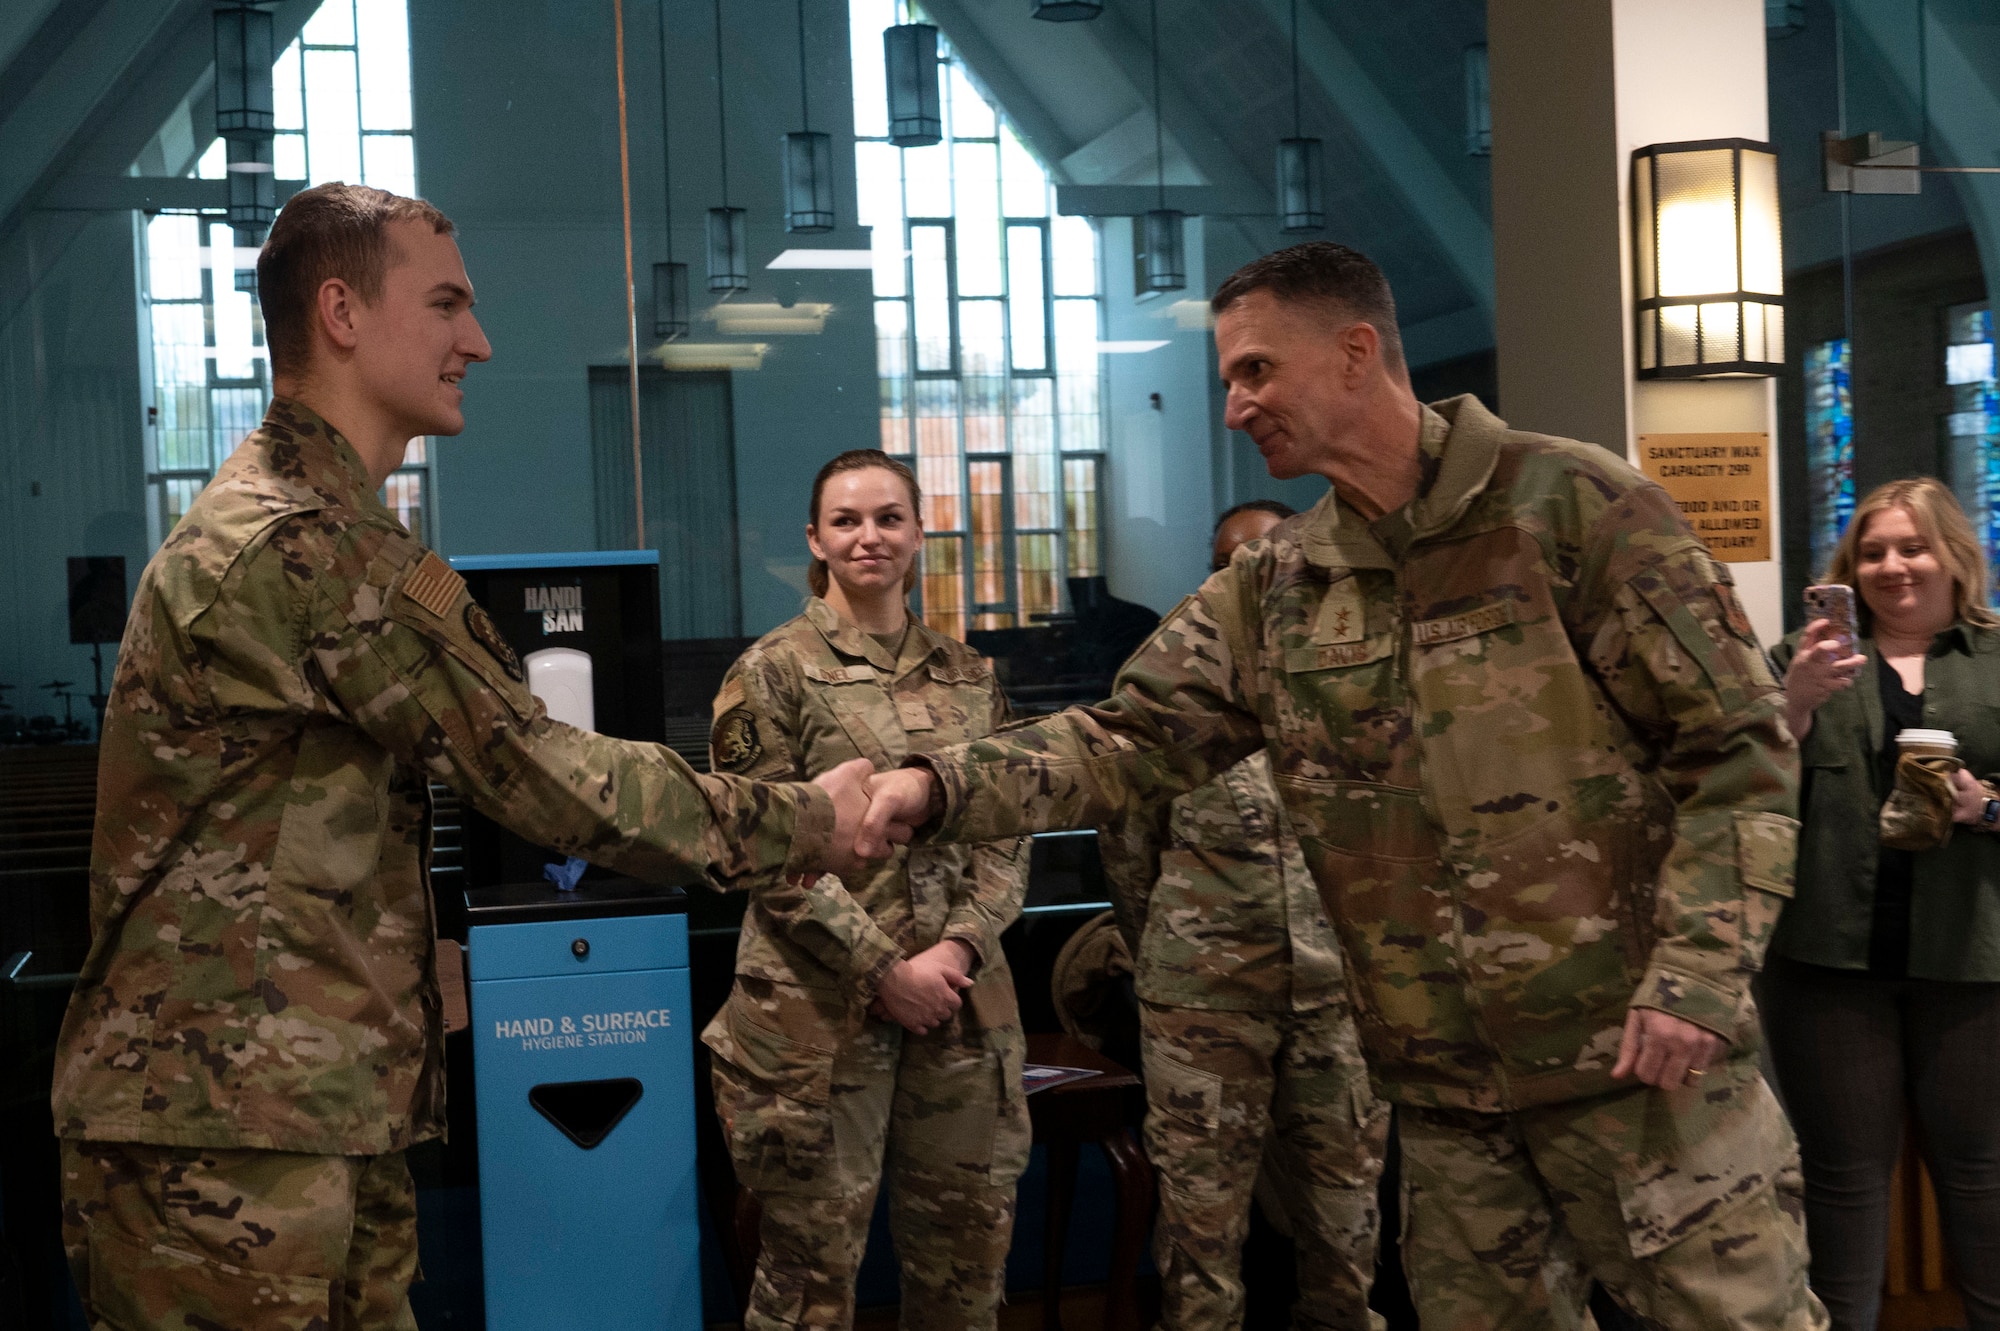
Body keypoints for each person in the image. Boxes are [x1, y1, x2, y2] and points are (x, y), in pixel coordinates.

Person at [855, 241, 1824, 1330]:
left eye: (1255, 371)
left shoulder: (1576, 507)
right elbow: (1123, 739)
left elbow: (1736, 751)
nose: (1233, 406)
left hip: (1638, 1071)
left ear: (1356, 352)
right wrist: (931, 787)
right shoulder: (1277, 587)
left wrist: (1694, 974)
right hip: (1446, 1097)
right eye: (1230, 377)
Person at [51, 182, 870, 1331]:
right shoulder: (300, 545)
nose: (476, 341)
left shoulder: (314, 528)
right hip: (229, 1128)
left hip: (296, 1102)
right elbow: (540, 772)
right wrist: (807, 818)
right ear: (340, 311)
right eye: (446, 304)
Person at [702, 449, 1030, 1331]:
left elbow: (1007, 834)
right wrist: (887, 968)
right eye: (846, 520)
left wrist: (956, 948)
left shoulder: (971, 676)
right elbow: (767, 852)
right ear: (815, 539)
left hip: (961, 1009)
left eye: (889, 517)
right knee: (809, 1283)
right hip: (821, 1021)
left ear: (919, 533)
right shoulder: (769, 672)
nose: (869, 536)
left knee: (966, 1276)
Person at [1099, 499, 1386, 1331]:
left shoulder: (1352, 685)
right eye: (1234, 561)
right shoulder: (1170, 693)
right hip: (1205, 1002)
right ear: (1212, 576)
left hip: (1340, 1001)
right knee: (1201, 1246)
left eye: (1271, 555)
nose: (1255, 572)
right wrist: (1182, 948)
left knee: (1345, 1235)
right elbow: (1127, 849)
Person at [1765, 477, 2000, 1331]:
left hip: (1974, 963)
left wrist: (1990, 806)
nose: (1893, 566)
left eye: (1912, 546)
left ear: (1953, 556)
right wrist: (1793, 701)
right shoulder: (1805, 655)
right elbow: (1736, 782)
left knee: (1982, 1179)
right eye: (1873, 551)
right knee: (1843, 1182)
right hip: (1829, 964)